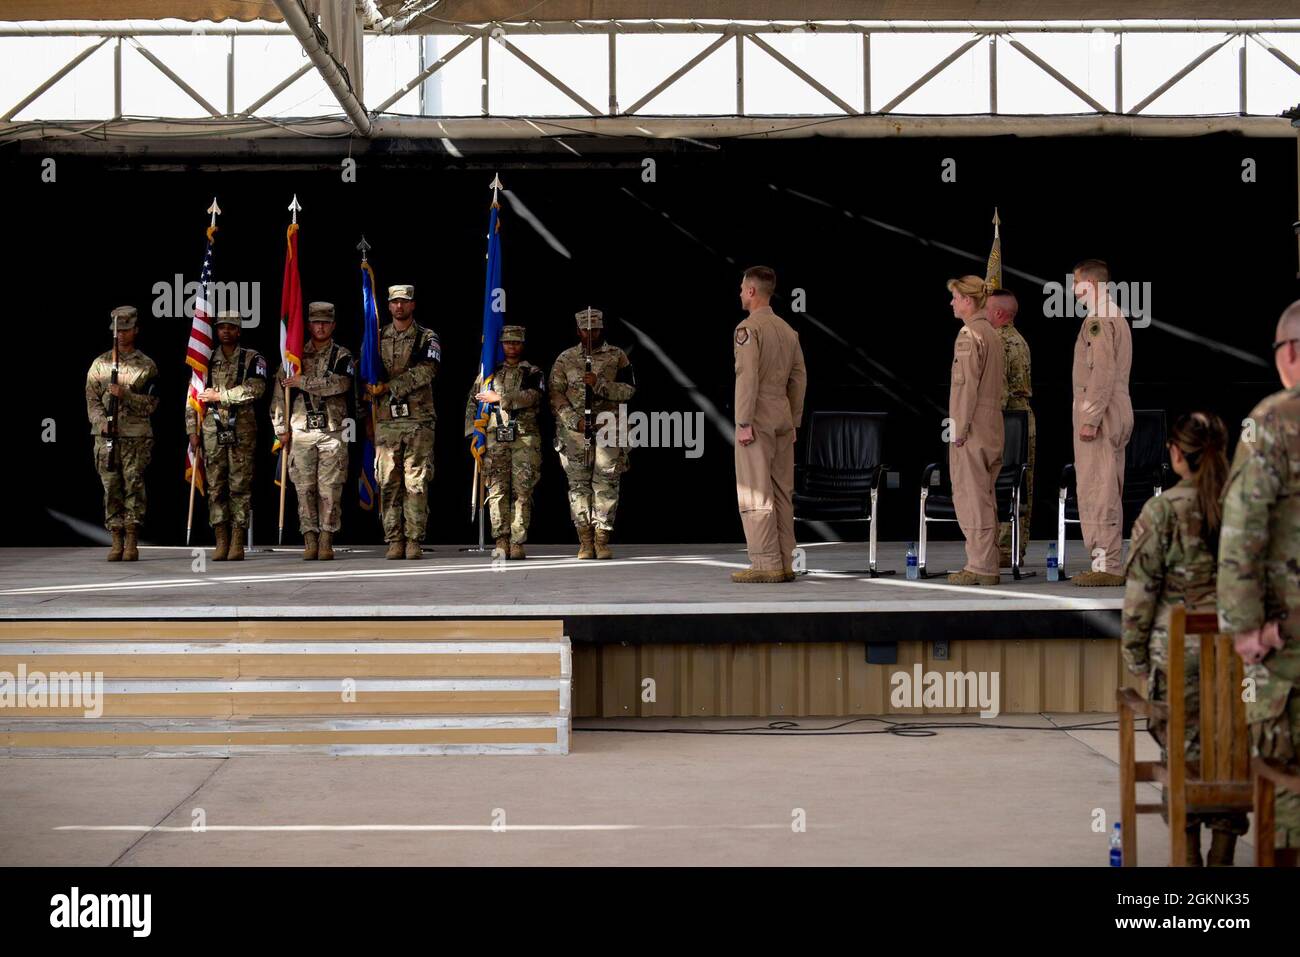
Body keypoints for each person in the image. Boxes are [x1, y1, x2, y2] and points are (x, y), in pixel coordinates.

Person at [1122, 411, 1247, 865]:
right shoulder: (1247, 509)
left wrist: (1135, 658)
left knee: (1182, 739)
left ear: (1176, 454)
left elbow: (1139, 598)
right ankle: (1225, 850)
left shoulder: (1161, 512)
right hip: (1246, 664)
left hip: (1178, 666)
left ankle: (1188, 849)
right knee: (1233, 747)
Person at [1218, 300, 1300, 861]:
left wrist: (1247, 629)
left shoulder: (1273, 421)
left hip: (1291, 646)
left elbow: (1243, 526)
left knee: (1288, 782)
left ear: (1290, 353)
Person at [732, 266, 807, 583]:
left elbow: (747, 377)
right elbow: (799, 378)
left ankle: (765, 563)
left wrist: (743, 420)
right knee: (781, 493)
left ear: (751, 291)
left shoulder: (748, 328)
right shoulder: (787, 330)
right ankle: (786, 562)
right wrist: (794, 420)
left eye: (741, 288)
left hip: (758, 414)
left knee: (755, 491)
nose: (739, 293)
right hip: (782, 414)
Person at [549, 307, 636, 559]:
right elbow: (555, 394)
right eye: (585, 329)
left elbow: (629, 390)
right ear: (578, 330)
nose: (590, 333)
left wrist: (598, 385)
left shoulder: (617, 356)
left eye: (595, 328)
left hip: (609, 427)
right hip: (574, 433)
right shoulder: (565, 359)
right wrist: (572, 419)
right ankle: (585, 540)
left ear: (601, 328)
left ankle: (602, 539)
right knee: (578, 486)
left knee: (606, 484)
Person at [271, 301, 354, 561]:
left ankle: (326, 539)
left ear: (333, 325)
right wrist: (280, 428)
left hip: (331, 431)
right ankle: (309, 538)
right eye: (316, 321)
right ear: (307, 324)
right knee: (304, 488)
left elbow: (340, 384)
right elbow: (278, 395)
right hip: (301, 430)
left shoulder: (342, 355)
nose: (320, 326)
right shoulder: (293, 356)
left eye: (325, 322)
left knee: (330, 489)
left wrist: (303, 382)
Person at [1070, 259, 1133, 586]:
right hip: (1112, 407)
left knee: (1100, 487)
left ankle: (1106, 566)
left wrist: (1090, 417)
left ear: (1090, 285)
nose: (1072, 290)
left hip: (1103, 411)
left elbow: (1102, 373)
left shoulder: (1100, 318)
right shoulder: (1110, 314)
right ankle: (1103, 563)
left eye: (1076, 284)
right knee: (1102, 485)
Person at [366, 284, 440, 560]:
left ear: (412, 305)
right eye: (395, 302)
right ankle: (394, 539)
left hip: (418, 420)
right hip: (386, 420)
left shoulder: (426, 337)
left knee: (416, 482)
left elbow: (427, 371)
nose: (399, 306)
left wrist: (389, 387)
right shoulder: (376, 337)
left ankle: (414, 539)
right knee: (387, 481)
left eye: (404, 302)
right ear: (388, 305)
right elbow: (367, 374)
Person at [187, 311, 267, 561]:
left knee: (240, 487)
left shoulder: (253, 358)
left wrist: (220, 396)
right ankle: (220, 538)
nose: (226, 331)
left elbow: (256, 389)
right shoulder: (205, 359)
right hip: (211, 430)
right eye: (221, 327)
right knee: (215, 487)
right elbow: (193, 398)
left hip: (241, 431)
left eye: (231, 327)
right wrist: (192, 429)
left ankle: (237, 540)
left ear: (239, 331)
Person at [465, 325, 545, 560]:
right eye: (507, 342)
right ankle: (500, 539)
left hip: (524, 438)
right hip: (494, 438)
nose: (512, 346)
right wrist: (474, 432)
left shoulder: (532, 372)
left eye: (516, 342)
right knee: (497, 491)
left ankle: (517, 541)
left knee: (522, 491)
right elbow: (473, 401)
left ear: (523, 344)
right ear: (500, 345)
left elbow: (532, 397)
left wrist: (501, 398)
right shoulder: (490, 372)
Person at [85, 305, 159, 562]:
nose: (122, 335)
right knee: (111, 488)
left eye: (127, 330)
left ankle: (132, 540)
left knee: (134, 487)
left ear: (136, 330)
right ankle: (116, 539)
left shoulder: (146, 365)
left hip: (135, 437)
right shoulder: (99, 365)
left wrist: (126, 394)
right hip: (107, 437)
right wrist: (100, 422)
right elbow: (92, 401)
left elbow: (152, 404)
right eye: (118, 331)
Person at [945, 276, 1004, 586]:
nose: (952, 303)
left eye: (955, 297)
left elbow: (965, 388)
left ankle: (980, 566)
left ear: (968, 300)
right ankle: (987, 562)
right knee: (985, 495)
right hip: (992, 422)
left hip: (973, 425)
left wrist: (959, 428)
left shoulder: (969, 334)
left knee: (971, 495)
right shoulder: (992, 333)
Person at [988, 289, 1034, 567]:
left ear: (998, 313)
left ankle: (1004, 549)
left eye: (988, 308)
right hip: (1023, 417)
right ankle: (1015, 546)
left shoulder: (999, 341)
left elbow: (1000, 392)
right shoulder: (1019, 339)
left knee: (1002, 484)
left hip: (1006, 420)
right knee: (1022, 485)